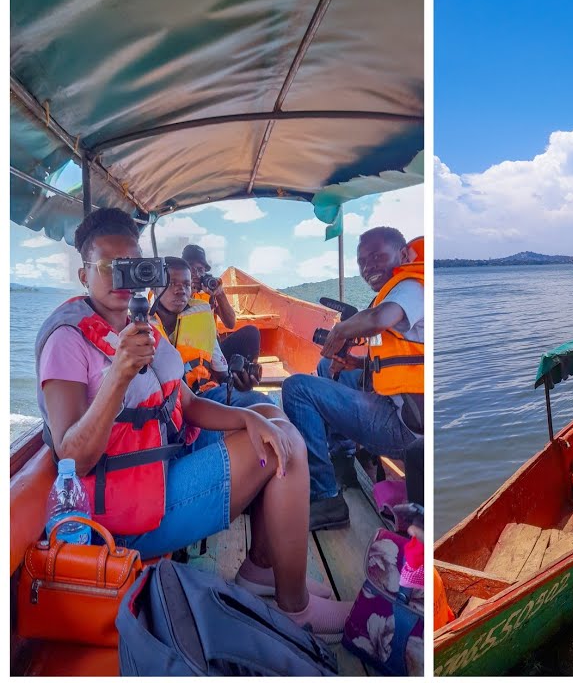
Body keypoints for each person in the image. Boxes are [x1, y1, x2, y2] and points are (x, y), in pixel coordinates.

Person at [37, 208, 350, 638]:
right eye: (105, 267)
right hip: (122, 518)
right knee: (286, 447)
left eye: (130, 266)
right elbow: (74, 457)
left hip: (162, 467)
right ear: (82, 275)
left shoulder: (141, 325)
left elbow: (185, 402)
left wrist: (247, 417)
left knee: (269, 417)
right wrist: (118, 374)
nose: (119, 278)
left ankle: (261, 569)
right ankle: (294, 607)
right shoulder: (67, 342)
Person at [282, 227, 424, 531]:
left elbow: (377, 320)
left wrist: (340, 331)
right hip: (403, 410)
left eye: (376, 256)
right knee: (327, 368)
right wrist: (355, 362)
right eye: (362, 261)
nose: (368, 266)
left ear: (401, 255)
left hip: (407, 428)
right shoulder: (395, 291)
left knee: (296, 389)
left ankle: (326, 497)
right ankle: (343, 462)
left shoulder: (411, 287)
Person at [152, 256, 271, 411]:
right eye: (171, 283)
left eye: (186, 284)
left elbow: (223, 376)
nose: (180, 290)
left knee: (263, 405)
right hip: (163, 405)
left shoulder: (201, 314)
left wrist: (239, 383)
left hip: (201, 396)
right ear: (154, 288)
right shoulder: (142, 325)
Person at [182, 243, 260, 363]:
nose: (196, 274)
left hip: (213, 352)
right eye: (191, 268)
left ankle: (248, 374)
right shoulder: (176, 291)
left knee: (251, 333)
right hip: (185, 352)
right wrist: (188, 292)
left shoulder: (209, 295)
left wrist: (220, 294)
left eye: (200, 270)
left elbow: (230, 323)